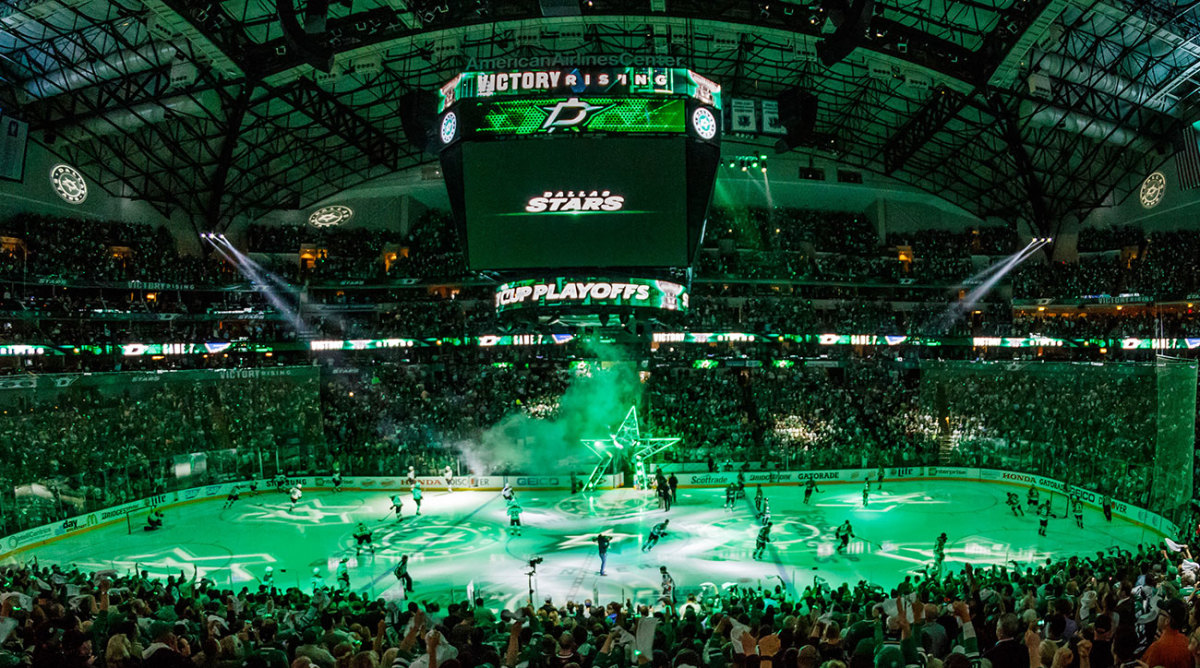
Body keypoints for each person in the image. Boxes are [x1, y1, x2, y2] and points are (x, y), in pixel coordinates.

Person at [1143, 599, 1190, 668]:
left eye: (1160, 613)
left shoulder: (1157, 648)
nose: (1158, 616)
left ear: (1167, 621)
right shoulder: (1187, 641)